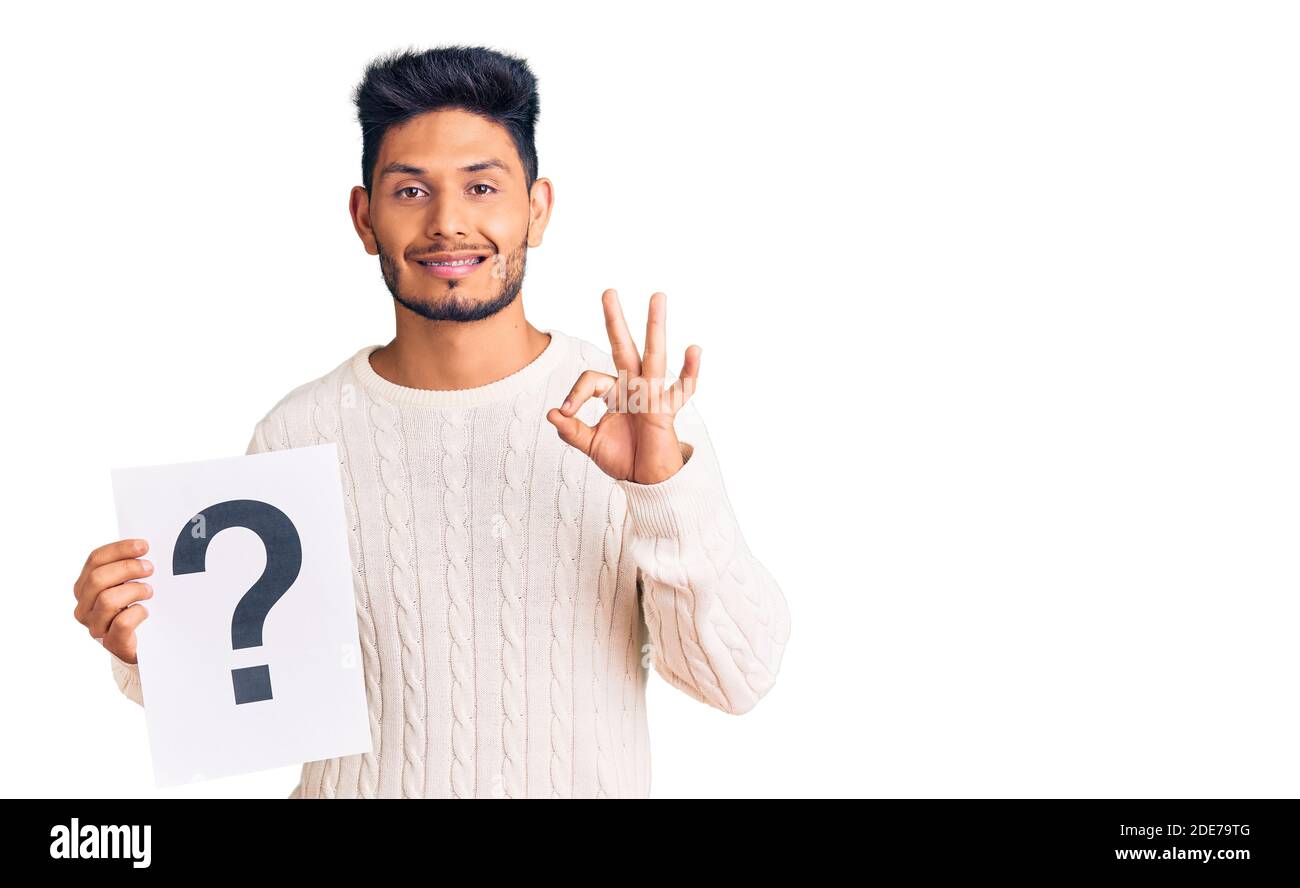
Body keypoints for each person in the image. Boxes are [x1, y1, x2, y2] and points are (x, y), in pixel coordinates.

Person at [72, 44, 791, 798]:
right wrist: (145, 645)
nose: (450, 223)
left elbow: (737, 679)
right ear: (364, 217)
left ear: (537, 209)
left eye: (482, 186)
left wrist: (663, 491)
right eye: (411, 191)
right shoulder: (297, 432)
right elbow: (259, 694)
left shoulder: (631, 415)